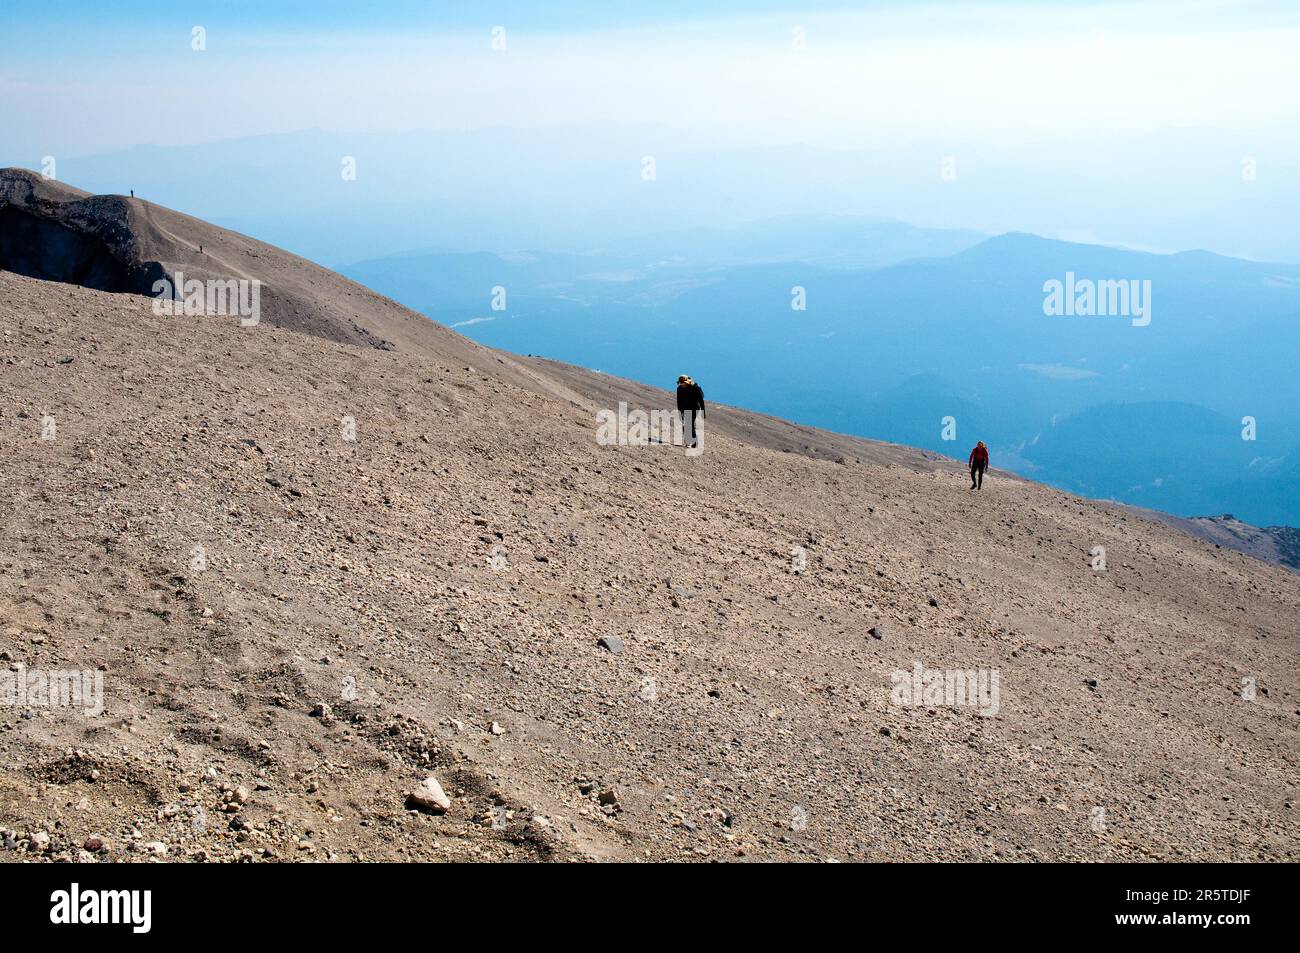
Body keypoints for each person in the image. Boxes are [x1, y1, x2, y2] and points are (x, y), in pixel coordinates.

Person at [676, 374, 706, 448]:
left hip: (694, 408)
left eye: (683, 383)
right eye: (681, 383)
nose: (682, 385)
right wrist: (680, 412)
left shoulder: (695, 388)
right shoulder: (679, 389)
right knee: (685, 425)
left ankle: (693, 442)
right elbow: (679, 401)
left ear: (687, 382)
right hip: (685, 408)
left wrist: (703, 412)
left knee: (690, 424)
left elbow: (701, 401)